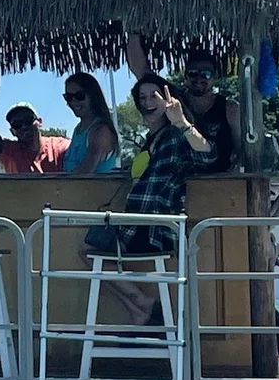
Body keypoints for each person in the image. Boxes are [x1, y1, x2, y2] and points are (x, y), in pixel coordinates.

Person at [80, 72, 210, 323]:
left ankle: (143, 304)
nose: (148, 102)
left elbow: (207, 155)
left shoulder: (175, 136)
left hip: (154, 229)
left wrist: (181, 121)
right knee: (91, 249)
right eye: (142, 97)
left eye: (154, 96)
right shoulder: (151, 139)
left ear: (169, 99)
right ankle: (140, 313)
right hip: (136, 224)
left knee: (87, 249)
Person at [126, 34, 242, 172]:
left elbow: (241, 149)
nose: (199, 78)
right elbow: (142, 73)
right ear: (186, 75)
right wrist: (133, 34)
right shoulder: (175, 99)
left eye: (205, 74)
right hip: (180, 179)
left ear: (214, 77)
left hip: (218, 179)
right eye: (193, 73)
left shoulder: (229, 108)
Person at [0, 70, 69, 173]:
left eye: (27, 120)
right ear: (12, 131)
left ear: (39, 122)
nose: (23, 127)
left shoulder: (59, 147)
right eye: (17, 124)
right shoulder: (10, 153)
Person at [61, 72, 120, 174]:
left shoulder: (101, 131)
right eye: (68, 97)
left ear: (92, 95)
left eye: (79, 96)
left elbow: (85, 171)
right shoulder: (78, 129)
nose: (73, 101)